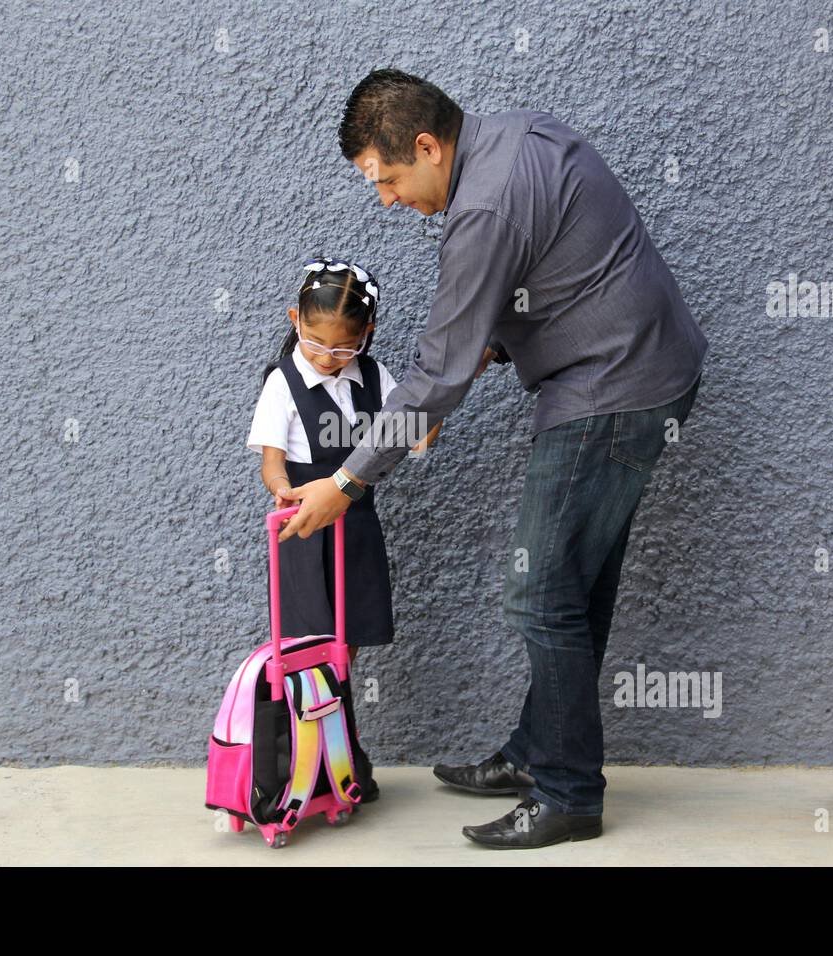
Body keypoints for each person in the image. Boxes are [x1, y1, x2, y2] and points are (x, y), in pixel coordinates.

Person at [276, 70, 708, 848]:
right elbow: (551, 277)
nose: (387, 199)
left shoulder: (480, 209)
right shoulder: (519, 135)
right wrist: (456, 376)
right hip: (644, 370)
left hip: (612, 390)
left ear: (427, 146)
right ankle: (538, 754)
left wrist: (345, 482)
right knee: (572, 587)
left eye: (388, 178)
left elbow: (437, 368)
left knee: (540, 592)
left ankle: (570, 794)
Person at [247, 254, 441, 806]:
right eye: (315, 344)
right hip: (304, 527)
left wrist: (423, 431)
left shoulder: (375, 376)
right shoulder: (282, 382)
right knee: (304, 648)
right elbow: (270, 459)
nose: (329, 359)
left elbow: (411, 424)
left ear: (367, 335)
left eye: (343, 349)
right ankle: (294, 767)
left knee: (343, 651)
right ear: (294, 320)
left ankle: (340, 761)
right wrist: (282, 487)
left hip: (355, 524)